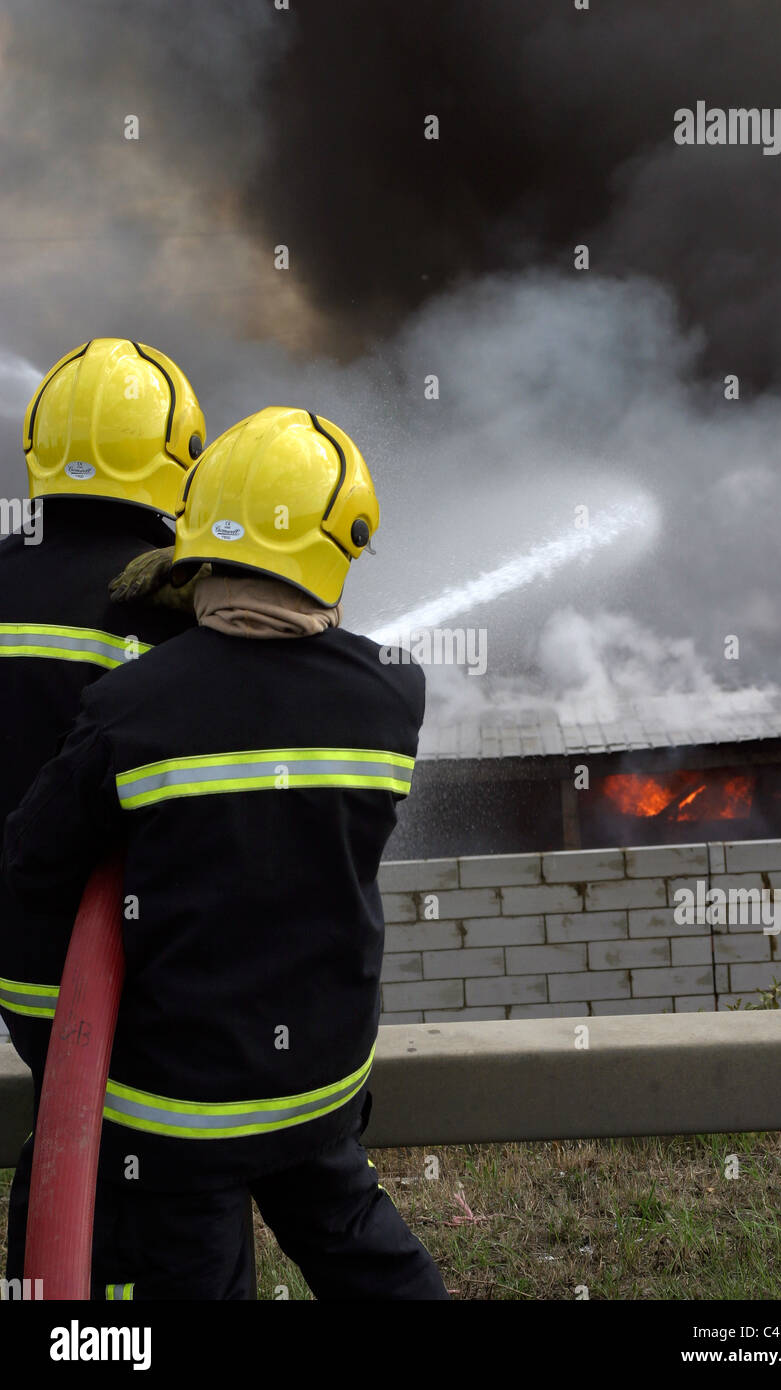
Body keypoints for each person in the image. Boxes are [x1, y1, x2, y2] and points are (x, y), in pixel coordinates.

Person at [3, 406, 450, 1300]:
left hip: (176, 1116)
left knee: (188, 1279)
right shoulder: (392, 696)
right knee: (366, 1256)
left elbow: (32, 862)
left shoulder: (131, 709)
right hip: (318, 1089)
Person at [0, 339, 262, 1296]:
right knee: (165, 1193)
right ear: (180, 455)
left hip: (23, 974)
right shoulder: (172, 609)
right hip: (143, 970)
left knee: (69, 1149)